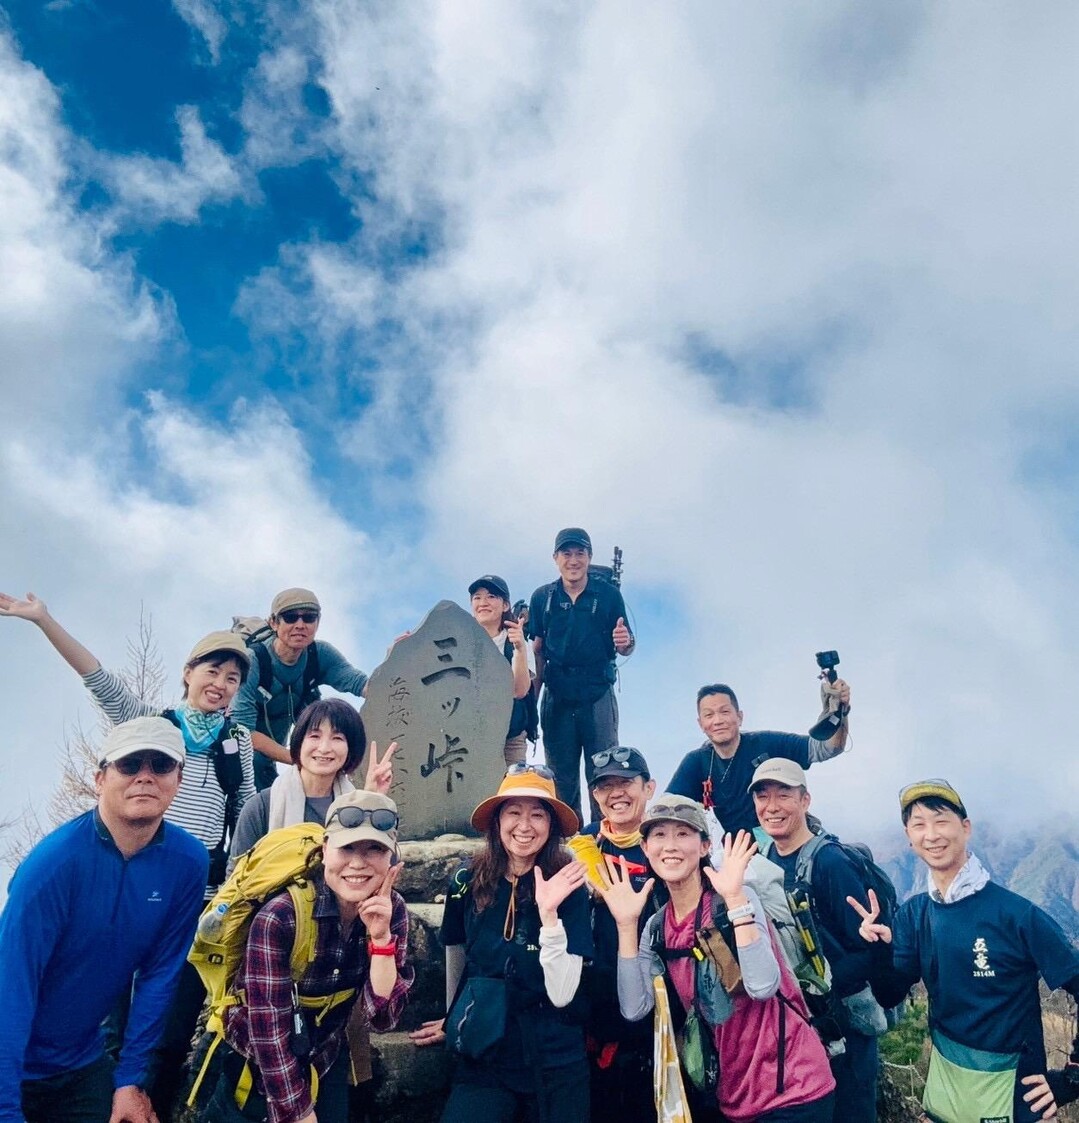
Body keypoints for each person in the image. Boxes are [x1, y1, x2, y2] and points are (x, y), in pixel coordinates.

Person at [0, 590, 258, 1119]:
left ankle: (139, 1103)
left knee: (168, 1029)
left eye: (233, 678)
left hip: (194, 893)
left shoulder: (237, 742)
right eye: (213, 670)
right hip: (117, 883)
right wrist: (45, 619)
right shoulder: (152, 723)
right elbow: (98, 677)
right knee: (108, 1016)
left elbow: (249, 812)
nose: (221, 684)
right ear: (189, 672)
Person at [0, 717, 209, 1123]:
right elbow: (11, 989)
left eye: (160, 765)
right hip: (11, 1063)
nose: (145, 777)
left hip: (81, 1063)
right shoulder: (53, 866)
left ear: (178, 779)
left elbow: (159, 976)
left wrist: (130, 1079)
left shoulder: (188, 863)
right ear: (100, 779)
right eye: (130, 765)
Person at [851, 778, 1079, 1123]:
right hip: (946, 1098)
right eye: (919, 825)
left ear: (966, 828)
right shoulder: (915, 914)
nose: (931, 835)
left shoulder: (1016, 915)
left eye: (941, 821)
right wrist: (877, 951)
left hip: (1014, 1101)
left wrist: (1072, 1079)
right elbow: (889, 995)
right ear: (909, 838)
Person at [605, 794, 836, 1123]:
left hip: (794, 1087)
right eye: (659, 835)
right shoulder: (657, 928)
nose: (670, 845)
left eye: (683, 834)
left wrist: (736, 900)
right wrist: (626, 925)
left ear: (703, 847)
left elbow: (762, 986)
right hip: (734, 1097)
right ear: (645, 848)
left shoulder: (735, 900)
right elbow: (634, 1008)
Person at [226, 698, 395, 1120]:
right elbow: (237, 885)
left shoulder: (360, 805)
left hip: (335, 972)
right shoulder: (265, 805)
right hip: (271, 959)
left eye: (338, 737)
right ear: (298, 741)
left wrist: (372, 798)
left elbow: (378, 874)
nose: (324, 747)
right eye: (315, 735)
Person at [207, 788, 413, 1123]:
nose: (358, 863)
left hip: (324, 1057)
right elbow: (268, 1034)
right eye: (347, 847)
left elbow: (383, 1017)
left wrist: (380, 940)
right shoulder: (281, 916)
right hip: (255, 1065)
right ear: (325, 850)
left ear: (391, 858)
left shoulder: (392, 911)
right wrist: (298, 1114)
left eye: (374, 848)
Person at [409, 765, 594, 1123]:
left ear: (551, 826)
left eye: (537, 815)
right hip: (487, 1046)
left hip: (554, 1051)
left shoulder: (568, 884)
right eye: (514, 812)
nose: (524, 826)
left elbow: (562, 994)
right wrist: (453, 1018)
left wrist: (550, 913)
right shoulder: (466, 878)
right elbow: (456, 950)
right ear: (497, 821)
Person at [750, 758, 885, 1123]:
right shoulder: (764, 860)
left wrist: (816, 986)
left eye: (784, 795)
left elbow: (866, 954)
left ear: (805, 800)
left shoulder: (830, 862)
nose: (772, 806)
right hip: (802, 1030)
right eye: (763, 797)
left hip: (845, 1029)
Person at [574, 747, 659, 1123]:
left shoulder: (665, 840)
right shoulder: (584, 845)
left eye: (626, 783)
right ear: (594, 796)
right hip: (596, 1003)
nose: (616, 794)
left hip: (658, 1001)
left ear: (649, 788)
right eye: (605, 786)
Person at [526, 528, 634, 823]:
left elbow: (626, 644)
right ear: (555, 558)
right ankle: (569, 846)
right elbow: (537, 651)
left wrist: (625, 643)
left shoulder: (609, 595)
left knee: (604, 772)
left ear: (589, 557)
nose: (573, 560)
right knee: (561, 776)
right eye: (566, 553)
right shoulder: (543, 598)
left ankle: (605, 839)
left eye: (580, 553)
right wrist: (532, 706)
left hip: (597, 692)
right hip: (557, 695)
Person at [667, 680, 851, 836]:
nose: (717, 720)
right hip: (741, 855)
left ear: (739, 717)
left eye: (725, 712)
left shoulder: (766, 744)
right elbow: (667, 806)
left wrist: (839, 712)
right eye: (709, 715)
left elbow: (827, 748)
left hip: (789, 841)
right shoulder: (697, 762)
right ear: (701, 724)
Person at [230, 588, 370, 791]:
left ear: (317, 622)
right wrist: (298, 758)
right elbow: (243, 730)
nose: (300, 625)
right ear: (274, 623)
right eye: (290, 617)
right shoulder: (253, 660)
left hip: (281, 750)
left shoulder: (320, 654)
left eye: (309, 618)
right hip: (245, 751)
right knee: (255, 771)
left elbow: (361, 684)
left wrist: (395, 664)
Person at [468, 574, 536, 767]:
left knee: (511, 792)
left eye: (491, 596)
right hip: (468, 734)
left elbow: (519, 690)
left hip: (510, 736)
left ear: (505, 605)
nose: (483, 603)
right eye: (477, 597)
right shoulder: (460, 641)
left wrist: (520, 649)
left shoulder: (517, 641)